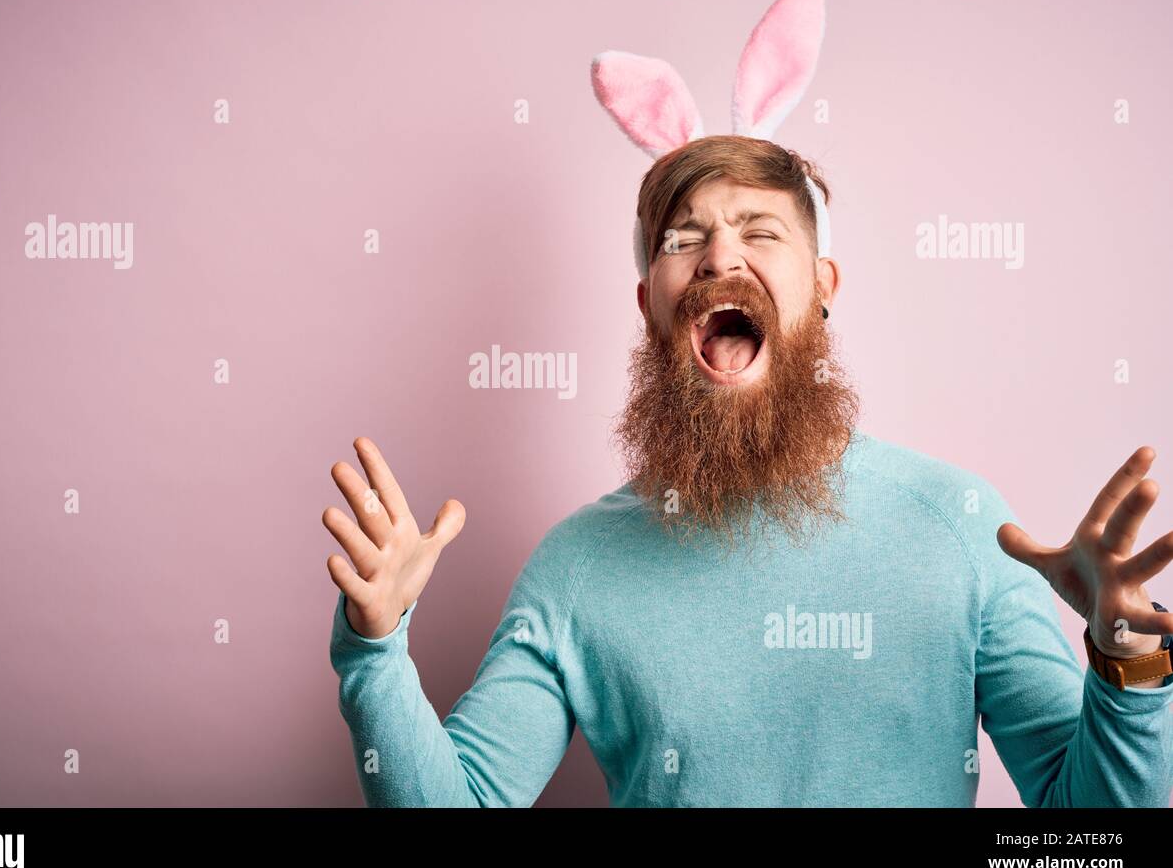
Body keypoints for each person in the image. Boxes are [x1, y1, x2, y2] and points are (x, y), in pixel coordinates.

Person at [322, 134, 1173, 807]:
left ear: (823, 284)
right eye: (683, 239)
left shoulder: (958, 526)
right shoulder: (576, 568)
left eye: (760, 231)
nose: (719, 258)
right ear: (650, 301)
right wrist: (374, 652)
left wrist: (1126, 658)